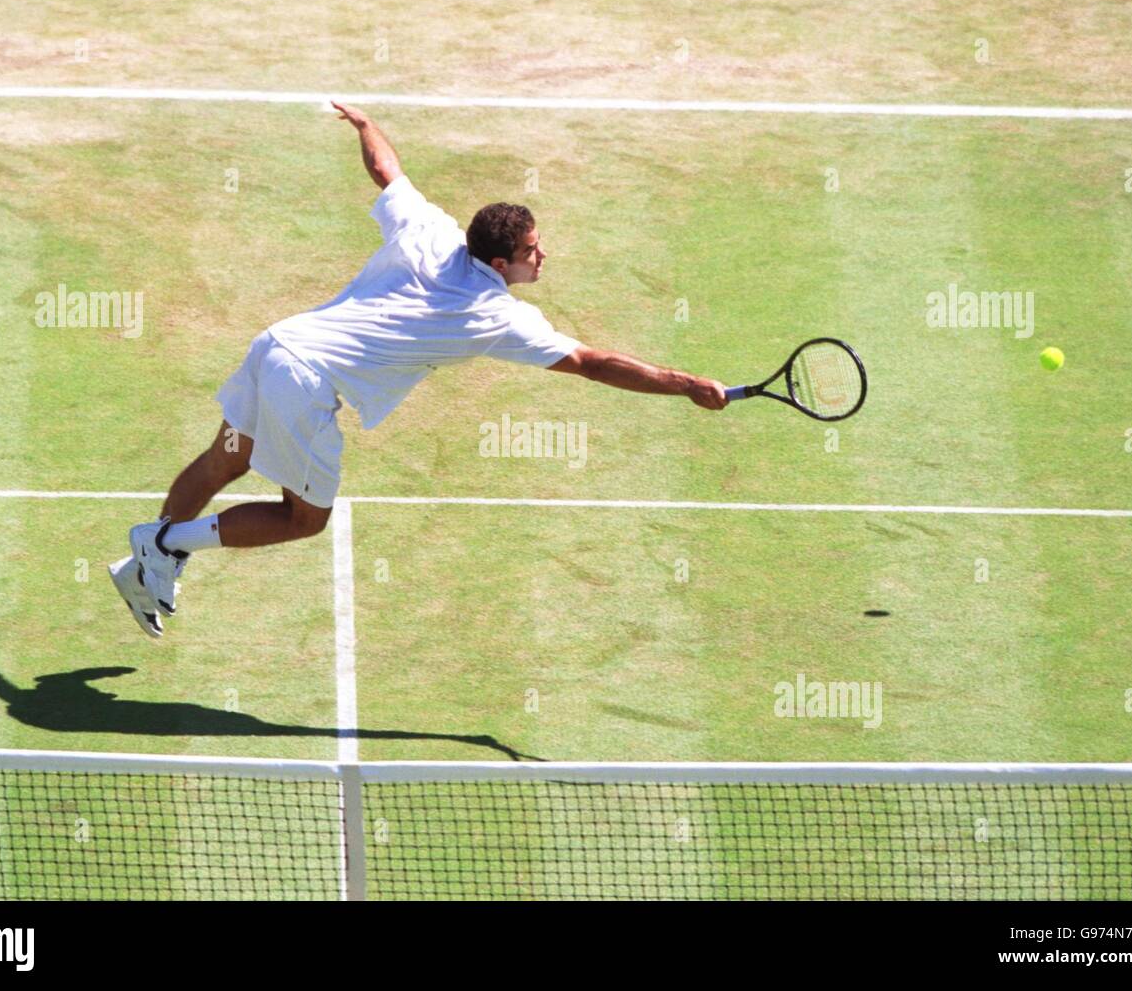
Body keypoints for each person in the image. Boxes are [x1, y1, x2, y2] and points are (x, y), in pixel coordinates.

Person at [110, 103, 727, 638]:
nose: (543, 256)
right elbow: (591, 364)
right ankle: (164, 543)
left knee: (227, 457)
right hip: (305, 385)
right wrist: (687, 384)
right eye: (531, 251)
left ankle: (148, 565)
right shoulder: (491, 316)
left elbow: (386, 170)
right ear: (498, 260)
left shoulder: (428, 228)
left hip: (275, 345)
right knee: (304, 519)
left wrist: (367, 123)